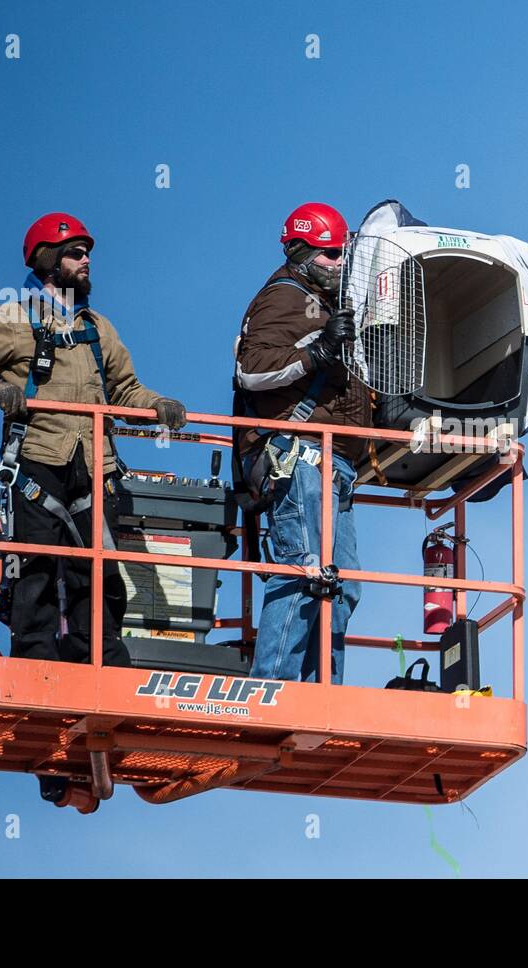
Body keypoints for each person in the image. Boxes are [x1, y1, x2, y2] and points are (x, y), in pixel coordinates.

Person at [0, 212, 187, 806]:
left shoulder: (98, 329)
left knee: (98, 585)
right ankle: (39, 707)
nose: (85, 260)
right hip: (37, 468)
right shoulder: (15, 320)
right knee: (33, 588)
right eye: (75, 252)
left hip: (91, 467)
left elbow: (125, 390)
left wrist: (159, 407)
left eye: (87, 252)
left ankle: (109, 700)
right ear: (46, 259)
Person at [232, 202, 369, 684]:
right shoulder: (285, 296)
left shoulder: (328, 306)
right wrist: (317, 352)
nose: (339, 263)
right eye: (331, 254)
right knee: (306, 574)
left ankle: (320, 692)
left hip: (334, 464)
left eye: (342, 255)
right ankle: (274, 689)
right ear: (302, 251)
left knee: (342, 587)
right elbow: (251, 371)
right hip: (300, 458)